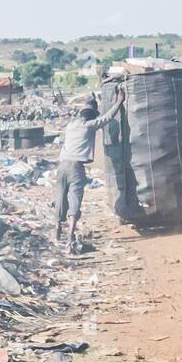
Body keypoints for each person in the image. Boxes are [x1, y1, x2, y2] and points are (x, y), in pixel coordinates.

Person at [57, 86, 125, 252]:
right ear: (92, 116)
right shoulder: (90, 126)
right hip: (75, 168)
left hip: (61, 166)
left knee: (60, 198)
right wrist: (119, 101)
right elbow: (107, 117)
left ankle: (56, 230)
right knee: (75, 201)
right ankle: (70, 237)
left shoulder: (71, 126)